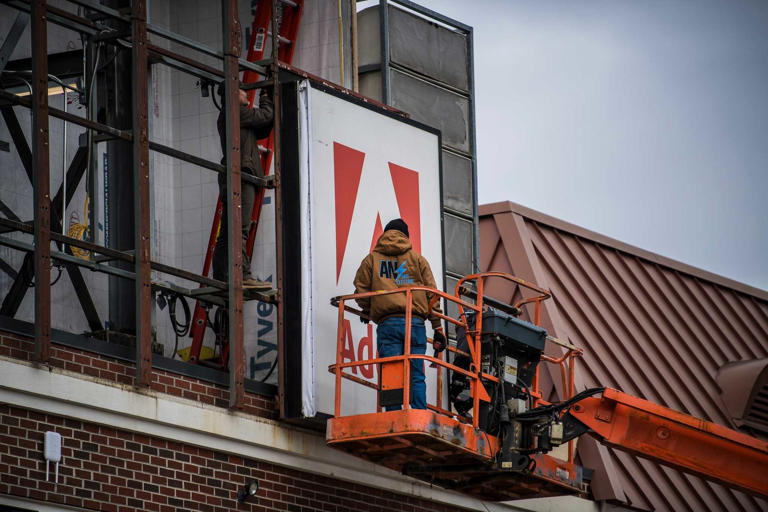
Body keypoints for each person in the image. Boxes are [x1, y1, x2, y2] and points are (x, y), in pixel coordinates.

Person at [353, 218, 447, 410]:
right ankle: (419, 414)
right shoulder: (418, 260)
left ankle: (393, 415)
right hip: (415, 324)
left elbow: (361, 290)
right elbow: (432, 296)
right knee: (416, 374)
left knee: (391, 372)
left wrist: (368, 309)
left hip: (388, 324)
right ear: (406, 236)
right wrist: (438, 327)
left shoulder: (372, 260)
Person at [213, 84, 273, 289]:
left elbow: (263, 126)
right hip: (242, 176)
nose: (246, 94)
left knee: (228, 230)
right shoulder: (234, 112)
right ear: (232, 94)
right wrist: (266, 97)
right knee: (240, 228)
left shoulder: (234, 116)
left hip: (236, 176)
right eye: (241, 90)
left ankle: (221, 275)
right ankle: (243, 274)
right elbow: (265, 116)